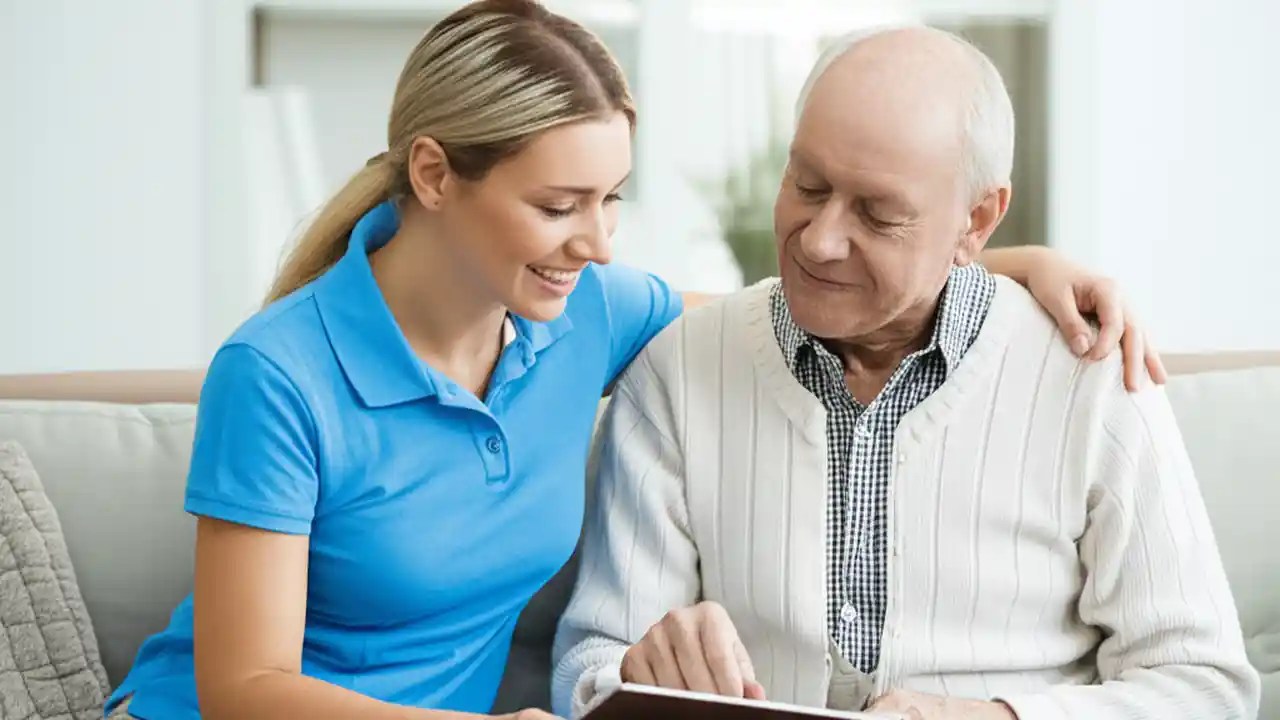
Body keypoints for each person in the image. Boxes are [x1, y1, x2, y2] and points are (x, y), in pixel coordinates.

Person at [106, 4, 1164, 720]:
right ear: (433, 174)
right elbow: (244, 685)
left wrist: (1003, 263)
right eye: (558, 207)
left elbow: (797, 302)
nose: (600, 241)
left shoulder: (588, 312)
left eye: (611, 199)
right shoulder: (278, 373)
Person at [552, 24, 1256, 720]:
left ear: (977, 221)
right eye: (807, 184)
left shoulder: (1092, 376)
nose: (820, 241)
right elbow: (587, 668)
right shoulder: (678, 371)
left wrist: (999, 717)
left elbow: (1206, 687)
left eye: (878, 215)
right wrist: (631, 673)